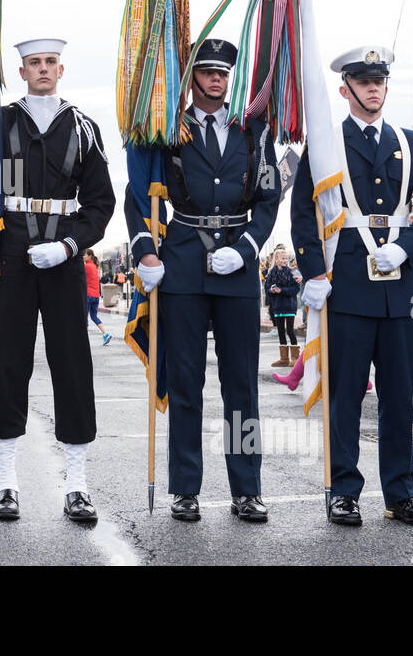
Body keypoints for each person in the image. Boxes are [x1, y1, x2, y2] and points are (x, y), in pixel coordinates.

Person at [0, 37, 115, 523]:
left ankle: (78, 485)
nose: (42, 69)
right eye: (33, 63)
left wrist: (70, 245)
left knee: (71, 364)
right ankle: (7, 482)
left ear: (61, 69)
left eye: (49, 62)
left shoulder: (84, 128)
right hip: (11, 256)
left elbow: (99, 203)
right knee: (9, 364)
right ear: (21, 71)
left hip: (63, 258)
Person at [290, 45, 413, 527]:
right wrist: (314, 272)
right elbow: (302, 212)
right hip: (349, 285)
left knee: (399, 397)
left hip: (399, 287)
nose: (374, 87)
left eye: (380, 79)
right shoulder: (325, 142)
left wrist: (407, 248)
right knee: (347, 396)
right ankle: (343, 490)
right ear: (345, 88)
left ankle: (401, 493)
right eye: (364, 80)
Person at [129, 39, 280, 524]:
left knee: (241, 387)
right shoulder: (166, 128)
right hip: (183, 262)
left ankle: (247, 488)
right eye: (207, 72)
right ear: (191, 76)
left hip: (236, 263)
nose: (217, 80)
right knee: (187, 382)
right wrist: (146, 251)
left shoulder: (252, 129)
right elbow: (140, 193)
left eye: (223, 73)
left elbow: (269, 196)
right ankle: (185, 488)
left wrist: (247, 249)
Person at [265, 246, 300, 368]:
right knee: (280, 331)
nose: (285, 260)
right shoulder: (271, 273)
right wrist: (272, 290)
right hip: (278, 306)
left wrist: (282, 290)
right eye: (283, 258)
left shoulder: (291, 273)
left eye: (286, 258)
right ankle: (284, 358)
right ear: (277, 259)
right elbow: (267, 288)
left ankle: (295, 358)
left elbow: (295, 289)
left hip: (289, 306)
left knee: (290, 330)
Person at [84, 249, 111, 346]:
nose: (83, 256)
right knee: (94, 316)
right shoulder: (95, 267)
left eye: (85, 255)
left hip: (88, 295)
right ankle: (106, 333)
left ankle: (84, 341)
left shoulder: (86, 266)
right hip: (96, 296)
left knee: (84, 317)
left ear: (90, 256)